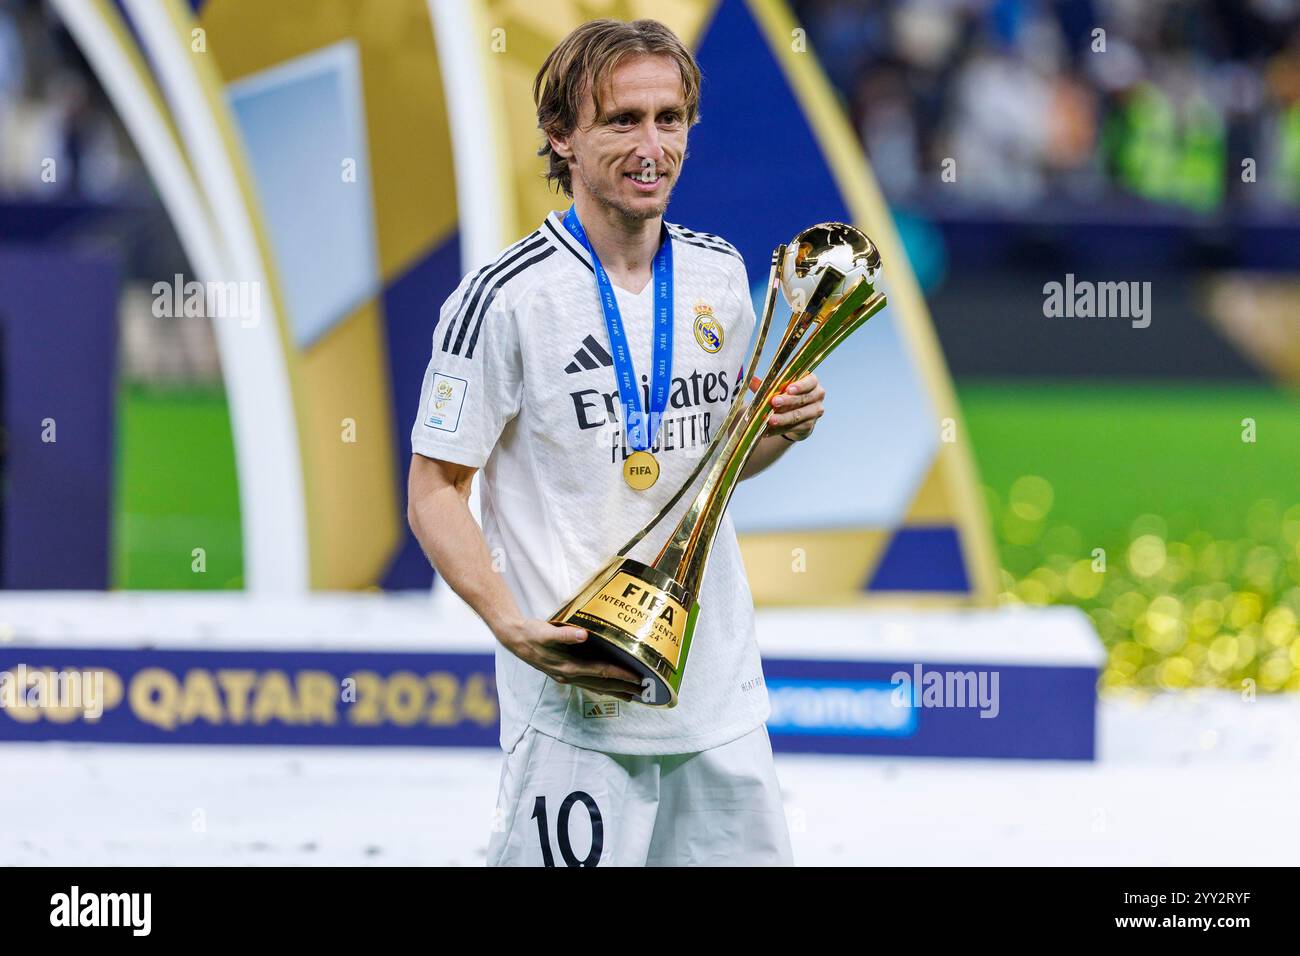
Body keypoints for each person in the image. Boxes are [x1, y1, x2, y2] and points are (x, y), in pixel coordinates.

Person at [407, 18, 826, 866]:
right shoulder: (502, 299)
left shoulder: (719, 277)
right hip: (578, 705)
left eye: (669, 119)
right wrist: (508, 624)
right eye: (622, 120)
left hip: (716, 694)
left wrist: (773, 430)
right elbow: (433, 491)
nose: (652, 146)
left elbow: (714, 478)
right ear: (561, 135)